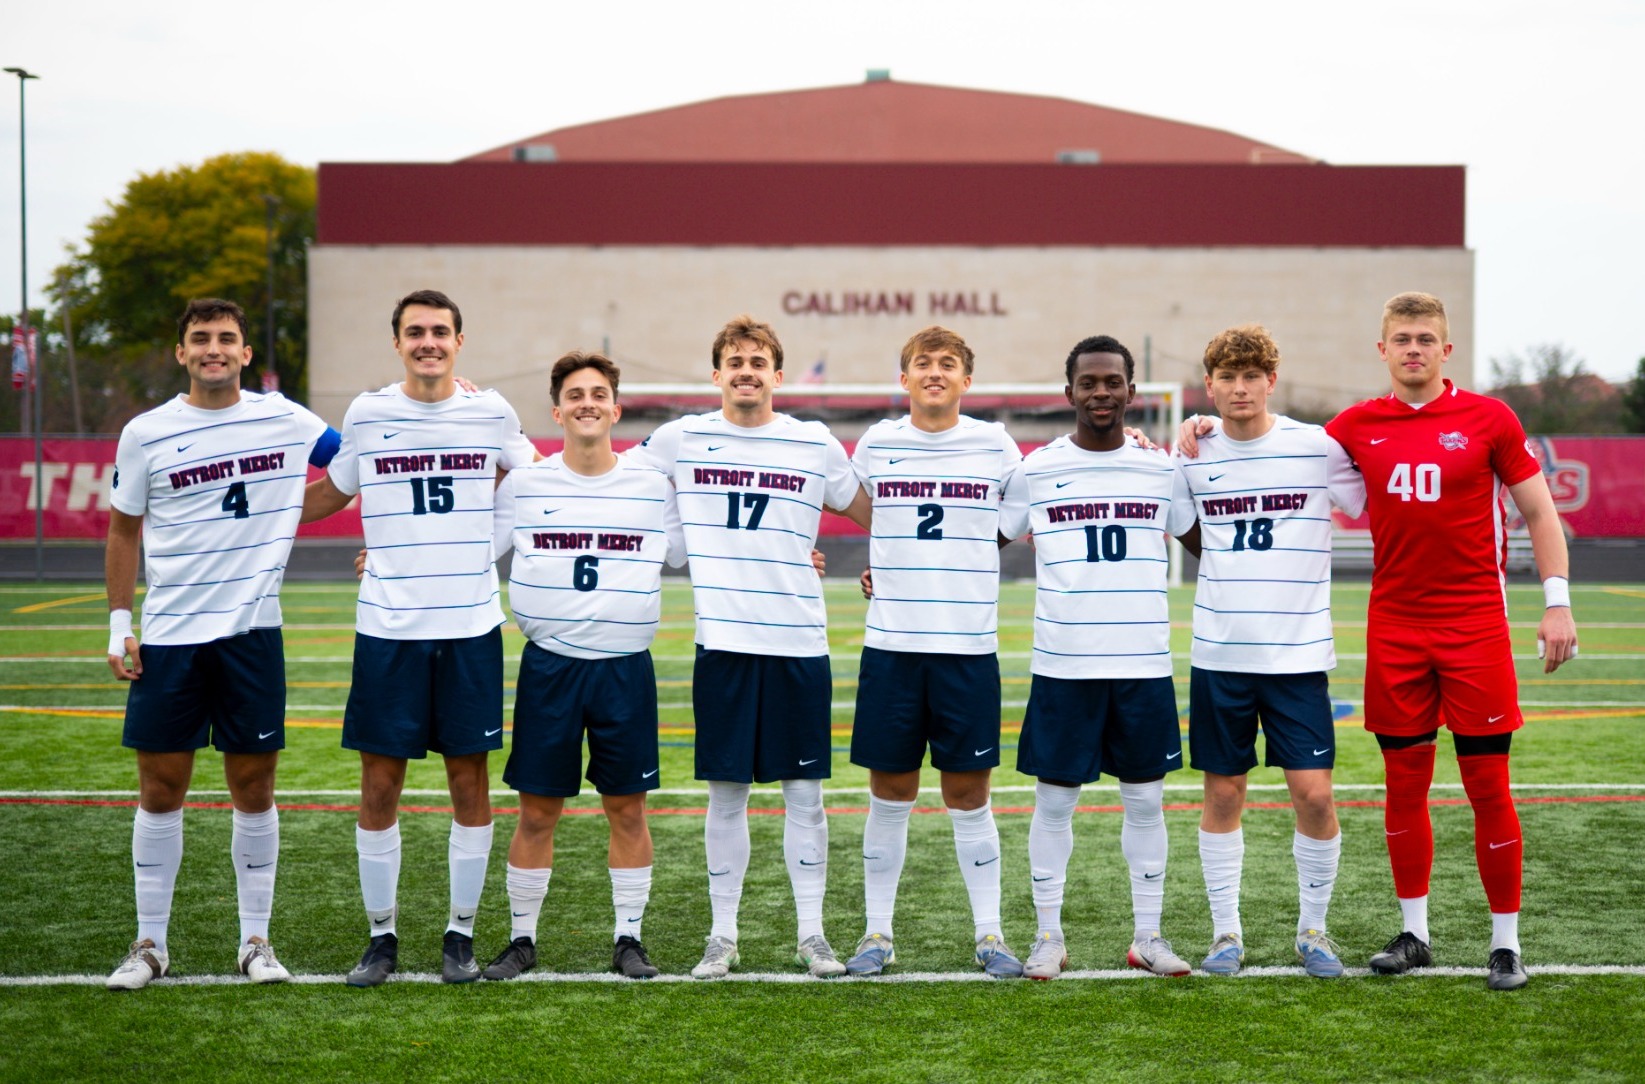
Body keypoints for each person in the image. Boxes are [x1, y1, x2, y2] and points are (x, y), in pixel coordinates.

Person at [1180, 292, 1578, 991]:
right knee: (1403, 786)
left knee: (1488, 784)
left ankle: (1506, 942)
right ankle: (1414, 933)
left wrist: (1556, 603)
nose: (1413, 349)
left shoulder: (1489, 418)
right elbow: (1254, 436)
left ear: (1445, 349)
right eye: (1401, 339)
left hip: (1475, 625)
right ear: (1382, 349)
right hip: (1393, 627)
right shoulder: (1352, 428)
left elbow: (1541, 512)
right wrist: (1200, 422)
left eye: (1425, 338)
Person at [304, 289, 539, 986]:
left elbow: (537, 481)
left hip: (469, 627)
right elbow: (335, 490)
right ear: (397, 342)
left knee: (469, 781)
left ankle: (459, 935)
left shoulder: (492, 411)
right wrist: (246, 513)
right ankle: (381, 938)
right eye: (415, 332)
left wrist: (484, 546)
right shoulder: (368, 413)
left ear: (459, 342)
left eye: (440, 331)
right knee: (380, 783)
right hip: (388, 628)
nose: (428, 342)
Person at [104, 298, 341, 990]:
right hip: (171, 637)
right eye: (201, 338)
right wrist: (119, 623)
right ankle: (149, 945)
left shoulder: (286, 417)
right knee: (160, 788)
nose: (214, 348)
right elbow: (123, 530)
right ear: (181, 352)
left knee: (254, 786)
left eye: (227, 338)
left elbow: (356, 467)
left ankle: (255, 941)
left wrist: (284, 513)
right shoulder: (146, 432)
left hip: (252, 633)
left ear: (245, 353)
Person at [627, 315, 872, 979]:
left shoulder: (812, 441)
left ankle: (812, 935)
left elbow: (876, 511)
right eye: (734, 362)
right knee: (726, 796)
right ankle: (722, 936)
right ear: (717, 374)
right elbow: (605, 475)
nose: (746, 372)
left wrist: (894, 562)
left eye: (757, 362)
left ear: (777, 375)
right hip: (724, 642)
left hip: (797, 641)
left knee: (805, 796)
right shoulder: (680, 437)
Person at [995, 335, 1200, 980]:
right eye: (1089, 383)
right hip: (1065, 665)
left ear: (1132, 392)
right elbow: (979, 541)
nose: (1101, 392)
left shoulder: (1162, 468)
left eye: (1113, 382)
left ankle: (1148, 936)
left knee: (1146, 803)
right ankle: (1048, 937)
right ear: (1070, 393)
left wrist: (1207, 431)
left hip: (1142, 664)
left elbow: (1209, 543)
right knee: (1054, 805)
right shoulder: (1036, 469)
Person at [479, 352, 684, 981]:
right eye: (575, 394)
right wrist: (383, 555)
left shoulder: (651, 486)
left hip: (624, 670)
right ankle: (521, 940)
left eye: (598, 394)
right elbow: (471, 547)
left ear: (616, 409)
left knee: (628, 809)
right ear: (557, 410)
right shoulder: (526, 484)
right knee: (537, 811)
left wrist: (798, 554)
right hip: (551, 668)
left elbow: (704, 549)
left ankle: (630, 939)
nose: (587, 403)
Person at [1173, 325, 1365, 978]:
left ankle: (1313, 929)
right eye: (1227, 377)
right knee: (1223, 794)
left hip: (1298, 658)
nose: (1240, 388)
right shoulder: (1191, 453)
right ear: (1209, 386)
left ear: (1270, 381)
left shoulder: (1315, 446)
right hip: (1220, 655)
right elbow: (1176, 523)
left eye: (1251, 376)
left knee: (1314, 796)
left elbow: (1369, 499)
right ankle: (1225, 933)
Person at [844, 326, 1026, 978]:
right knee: (889, 792)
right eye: (922, 363)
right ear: (904, 378)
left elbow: (1014, 517)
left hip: (966, 648)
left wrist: (963, 553)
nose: (934, 372)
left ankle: (989, 934)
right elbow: (853, 507)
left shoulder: (995, 443)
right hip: (893, 648)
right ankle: (877, 932)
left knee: (969, 793)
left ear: (965, 380)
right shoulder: (877, 442)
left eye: (948, 363)